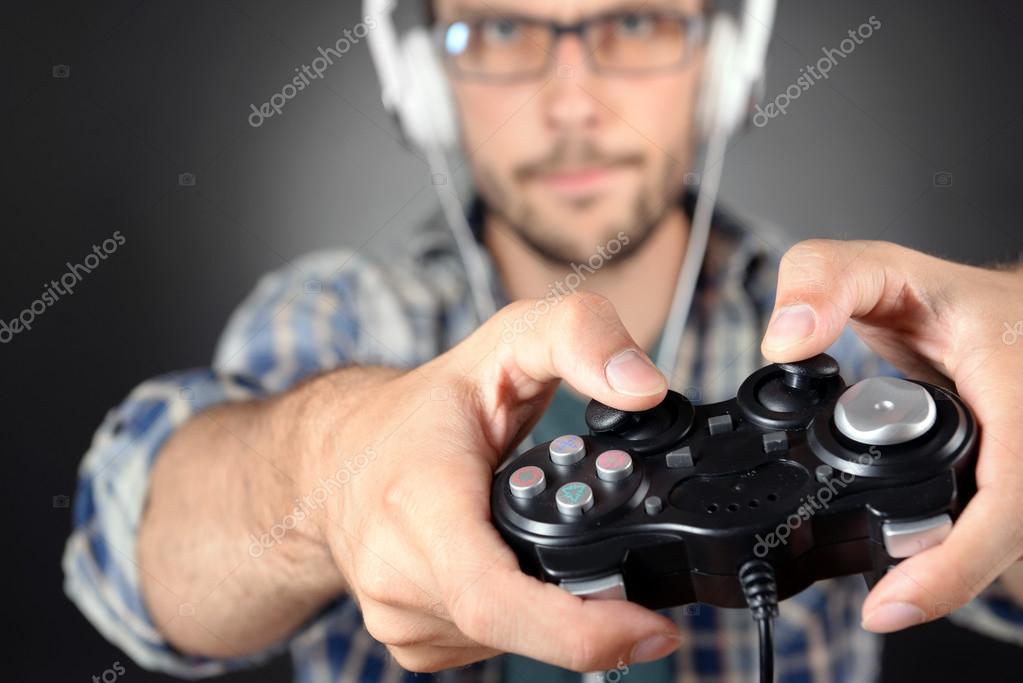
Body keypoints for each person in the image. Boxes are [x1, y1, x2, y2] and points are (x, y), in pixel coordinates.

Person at [64, 0, 1023, 681]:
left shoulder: (868, 342)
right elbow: (127, 557)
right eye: (504, 29)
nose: (572, 102)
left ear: (724, 56)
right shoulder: (340, 318)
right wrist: (323, 467)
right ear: (423, 78)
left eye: (636, 21)